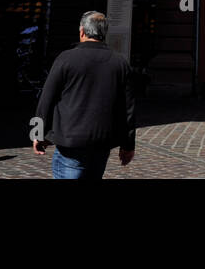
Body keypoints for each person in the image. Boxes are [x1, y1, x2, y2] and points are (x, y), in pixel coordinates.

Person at [33, 11, 136, 179]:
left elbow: (46, 100)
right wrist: (128, 145)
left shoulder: (66, 58)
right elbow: (128, 110)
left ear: (82, 31)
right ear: (104, 33)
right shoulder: (120, 63)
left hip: (70, 142)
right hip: (102, 142)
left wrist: (37, 133)